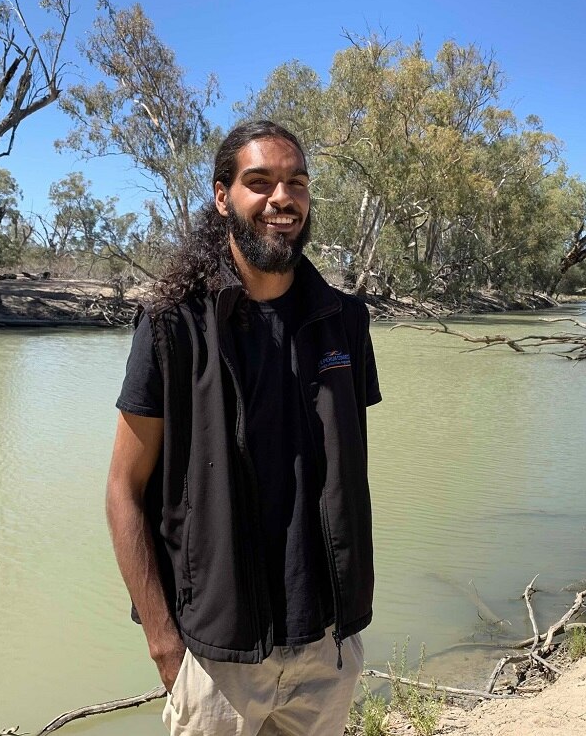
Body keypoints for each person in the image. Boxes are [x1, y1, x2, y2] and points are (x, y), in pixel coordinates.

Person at [106, 119, 382, 735]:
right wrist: (162, 641)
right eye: (260, 182)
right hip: (215, 657)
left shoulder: (345, 322)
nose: (282, 199)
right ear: (222, 195)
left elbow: (344, 472)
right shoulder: (173, 325)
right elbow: (124, 490)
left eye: (296, 183)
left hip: (327, 649)